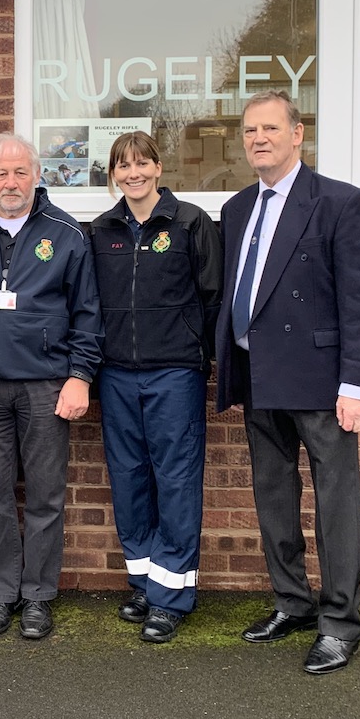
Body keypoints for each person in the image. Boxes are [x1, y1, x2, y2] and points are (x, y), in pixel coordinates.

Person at [215, 90, 360, 675]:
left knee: (337, 503)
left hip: (319, 380)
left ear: (297, 133)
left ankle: (340, 621)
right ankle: (293, 602)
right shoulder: (237, 209)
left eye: (269, 128)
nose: (257, 139)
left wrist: (356, 384)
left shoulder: (339, 201)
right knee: (274, 498)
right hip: (258, 376)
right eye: (248, 131)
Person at [0, 133, 102, 640]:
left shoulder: (65, 233)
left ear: (38, 176)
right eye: (2, 173)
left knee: (45, 495)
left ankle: (38, 596)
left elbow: (88, 314)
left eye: (21, 172)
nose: (11, 182)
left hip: (46, 385)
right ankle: (1, 594)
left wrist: (80, 376)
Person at [90, 131, 221, 644]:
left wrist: (201, 357)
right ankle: (146, 581)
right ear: (113, 175)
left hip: (174, 373)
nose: (133, 173)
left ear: (159, 168)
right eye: (123, 166)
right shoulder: (102, 231)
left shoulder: (190, 223)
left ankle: (173, 598)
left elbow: (212, 297)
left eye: (142, 163)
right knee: (129, 478)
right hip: (117, 373)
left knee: (177, 479)